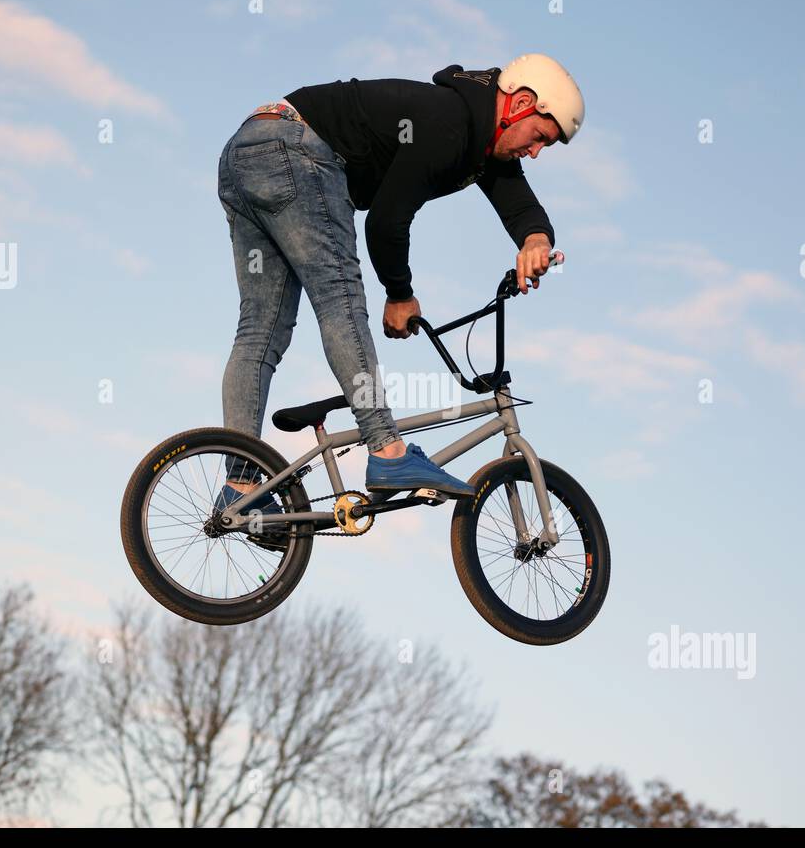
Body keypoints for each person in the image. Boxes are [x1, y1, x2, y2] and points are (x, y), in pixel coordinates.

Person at [214, 53, 585, 521]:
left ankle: (238, 487)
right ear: (521, 104)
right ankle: (387, 451)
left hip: (248, 149)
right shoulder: (451, 125)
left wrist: (537, 241)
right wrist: (399, 292)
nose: (534, 153)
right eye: (539, 139)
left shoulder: (473, 130)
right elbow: (387, 221)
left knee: (260, 332)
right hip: (299, 150)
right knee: (341, 301)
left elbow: (518, 202)